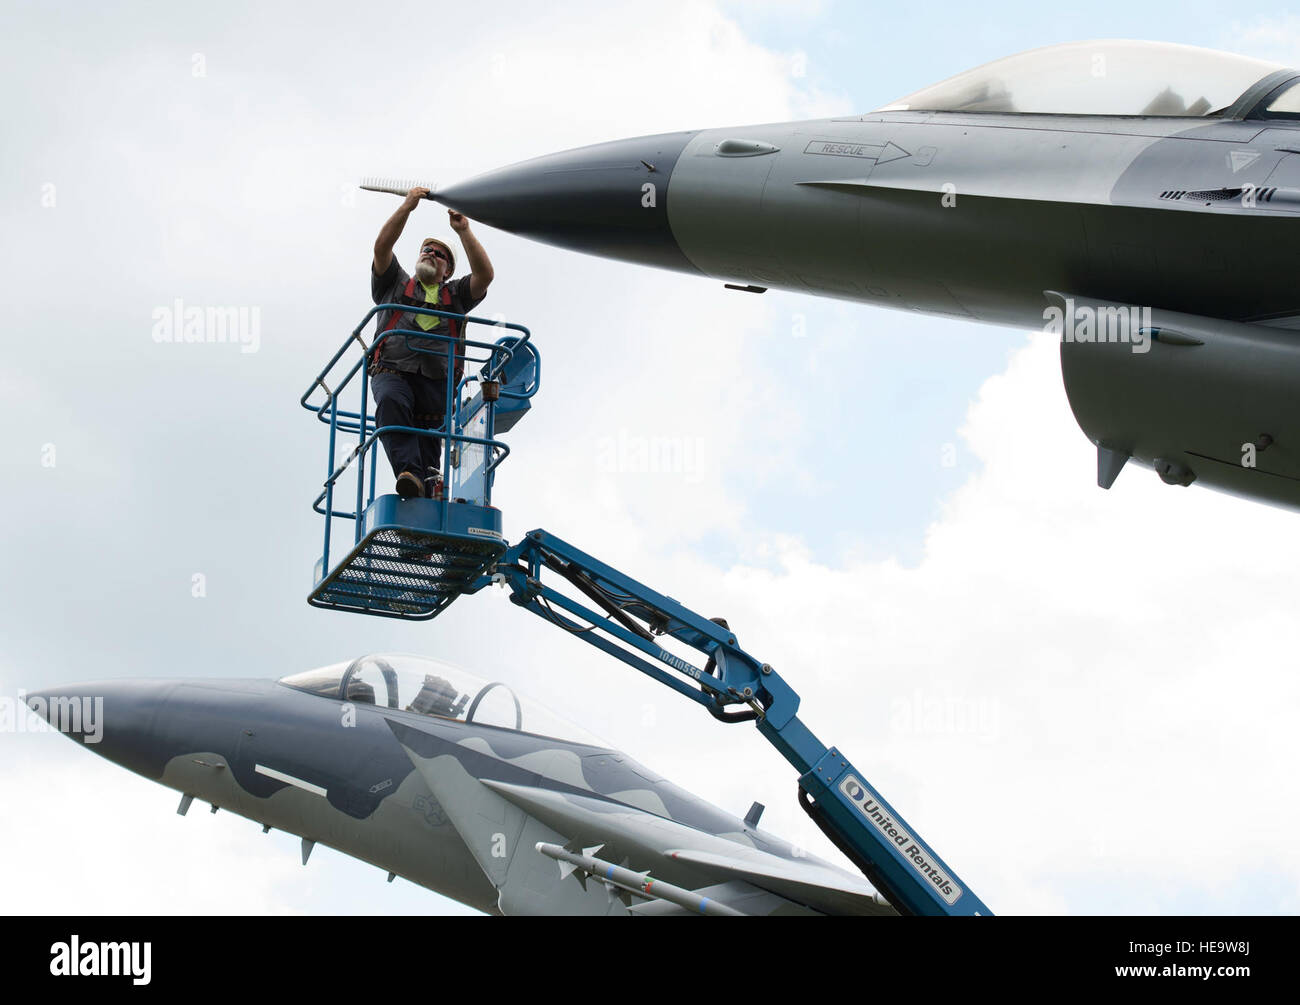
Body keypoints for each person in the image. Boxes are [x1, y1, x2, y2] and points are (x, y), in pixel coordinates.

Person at [370, 186, 494, 499]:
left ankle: (422, 511)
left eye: (439, 254)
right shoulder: (395, 283)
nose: (430, 254)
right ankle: (408, 473)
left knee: (430, 457)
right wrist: (406, 209)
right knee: (391, 404)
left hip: (435, 385)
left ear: (448, 270)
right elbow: (382, 248)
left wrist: (464, 230)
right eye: (427, 249)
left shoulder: (455, 296)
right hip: (393, 370)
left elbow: (485, 275)